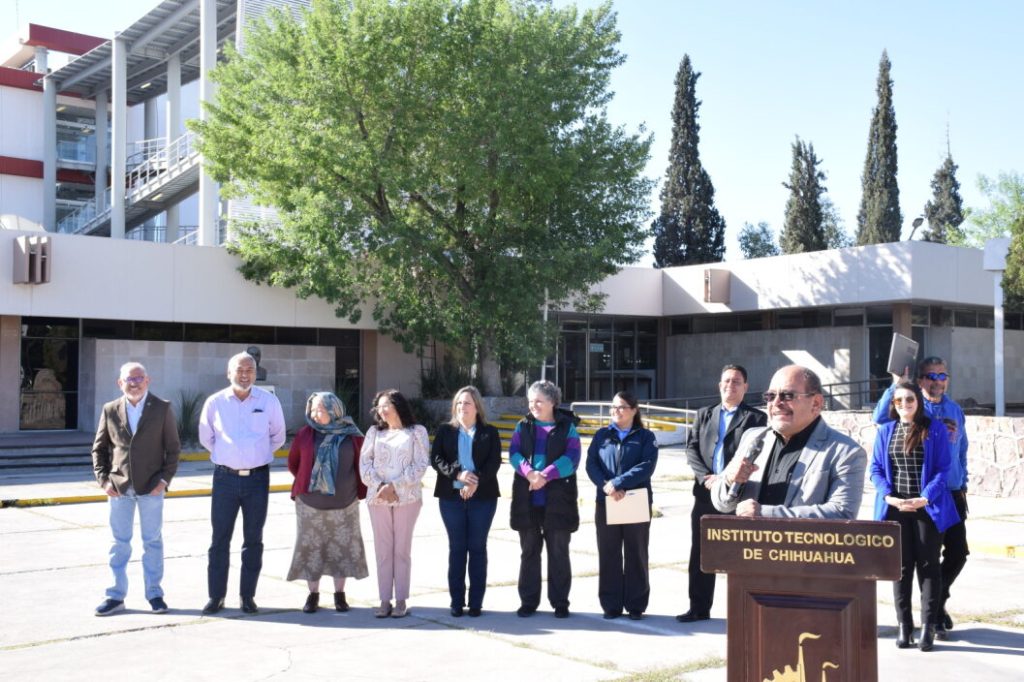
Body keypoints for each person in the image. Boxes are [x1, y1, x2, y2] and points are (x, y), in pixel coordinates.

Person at [873, 356, 968, 639]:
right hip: (914, 498)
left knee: (957, 553)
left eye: (942, 375)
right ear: (920, 380)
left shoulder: (954, 409)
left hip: (949, 493)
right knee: (912, 562)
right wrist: (895, 386)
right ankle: (931, 616)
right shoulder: (910, 404)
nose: (937, 381)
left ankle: (936, 603)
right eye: (930, 376)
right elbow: (881, 417)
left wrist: (963, 481)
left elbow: (960, 449)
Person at [711, 365, 866, 519]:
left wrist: (766, 513)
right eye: (771, 396)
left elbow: (842, 513)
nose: (776, 403)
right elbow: (721, 504)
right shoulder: (753, 438)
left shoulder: (846, 452)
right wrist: (729, 480)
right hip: (751, 544)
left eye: (787, 395)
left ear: (816, 403)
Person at [199, 351, 286, 615]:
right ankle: (216, 597)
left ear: (255, 372)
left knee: (253, 540)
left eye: (250, 369)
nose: (245, 374)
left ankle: (247, 597)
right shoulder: (215, 402)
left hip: (258, 479)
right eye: (239, 369)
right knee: (219, 539)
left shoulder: (269, 402)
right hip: (225, 478)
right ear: (229, 373)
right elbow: (207, 437)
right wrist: (231, 457)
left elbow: (277, 436)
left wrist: (253, 456)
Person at [91, 362, 181, 616]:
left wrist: (164, 481)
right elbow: (99, 448)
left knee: (152, 541)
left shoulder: (162, 408)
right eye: (129, 379)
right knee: (119, 544)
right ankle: (115, 596)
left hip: (151, 487)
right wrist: (104, 480)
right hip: (119, 489)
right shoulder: (110, 409)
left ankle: (154, 594)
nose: (135, 383)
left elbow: (173, 449)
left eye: (139, 378)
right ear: (120, 383)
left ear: (148, 380)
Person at [679, 364, 766, 623]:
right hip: (705, 494)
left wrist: (726, 478)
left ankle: (743, 610)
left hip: (737, 496)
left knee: (740, 554)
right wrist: (706, 477)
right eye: (726, 381)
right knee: (701, 553)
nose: (731, 385)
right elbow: (692, 449)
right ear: (720, 385)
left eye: (737, 381)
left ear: (745, 387)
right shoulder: (704, 414)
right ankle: (698, 608)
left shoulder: (756, 419)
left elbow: (755, 452)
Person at [286, 392, 369, 614]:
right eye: (312, 409)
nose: (314, 413)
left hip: (346, 505)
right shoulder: (305, 434)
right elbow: (294, 464)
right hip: (310, 506)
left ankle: (340, 595)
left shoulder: (353, 435)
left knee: (340, 552)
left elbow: (362, 465)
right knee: (311, 551)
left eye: (320, 409)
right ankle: (313, 595)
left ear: (335, 410)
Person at [509, 380, 581, 618]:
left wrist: (545, 475)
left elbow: (572, 458)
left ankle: (560, 602)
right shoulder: (523, 426)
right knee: (529, 551)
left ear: (552, 402)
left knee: (559, 552)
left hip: (558, 501)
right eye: (531, 401)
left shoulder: (567, 427)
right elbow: (514, 453)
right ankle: (528, 601)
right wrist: (530, 473)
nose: (534, 405)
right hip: (528, 501)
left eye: (539, 400)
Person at [585, 391, 658, 620]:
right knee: (609, 553)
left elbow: (647, 465)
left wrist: (618, 482)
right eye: (613, 407)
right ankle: (611, 604)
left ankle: (636, 604)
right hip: (607, 500)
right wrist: (606, 485)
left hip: (634, 500)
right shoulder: (602, 435)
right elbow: (591, 464)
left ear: (634, 410)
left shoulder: (645, 436)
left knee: (636, 553)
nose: (616, 411)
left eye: (621, 407)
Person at [430, 386, 502, 618]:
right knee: (457, 549)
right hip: (451, 498)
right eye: (459, 403)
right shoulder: (445, 431)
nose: (462, 407)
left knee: (477, 548)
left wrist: (475, 481)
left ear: (477, 407)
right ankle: (456, 602)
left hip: (483, 498)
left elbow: (494, 463)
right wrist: (458, 474)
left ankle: (476, 603)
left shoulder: (489, 432)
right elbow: (436, 459)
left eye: (467, 403)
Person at [359, 389, 429, 618]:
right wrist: (382, 487)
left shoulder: (417, 432)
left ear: (398, 405)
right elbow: (364, 465)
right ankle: (384, 600)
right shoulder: (373, 433)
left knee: (401, 550)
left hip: (406, 499)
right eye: (378, 406)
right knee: (383, 551)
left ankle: (400, 600)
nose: (381, 410)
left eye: (385, 404)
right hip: (378, 499)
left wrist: (395, 486)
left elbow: (420, 465)